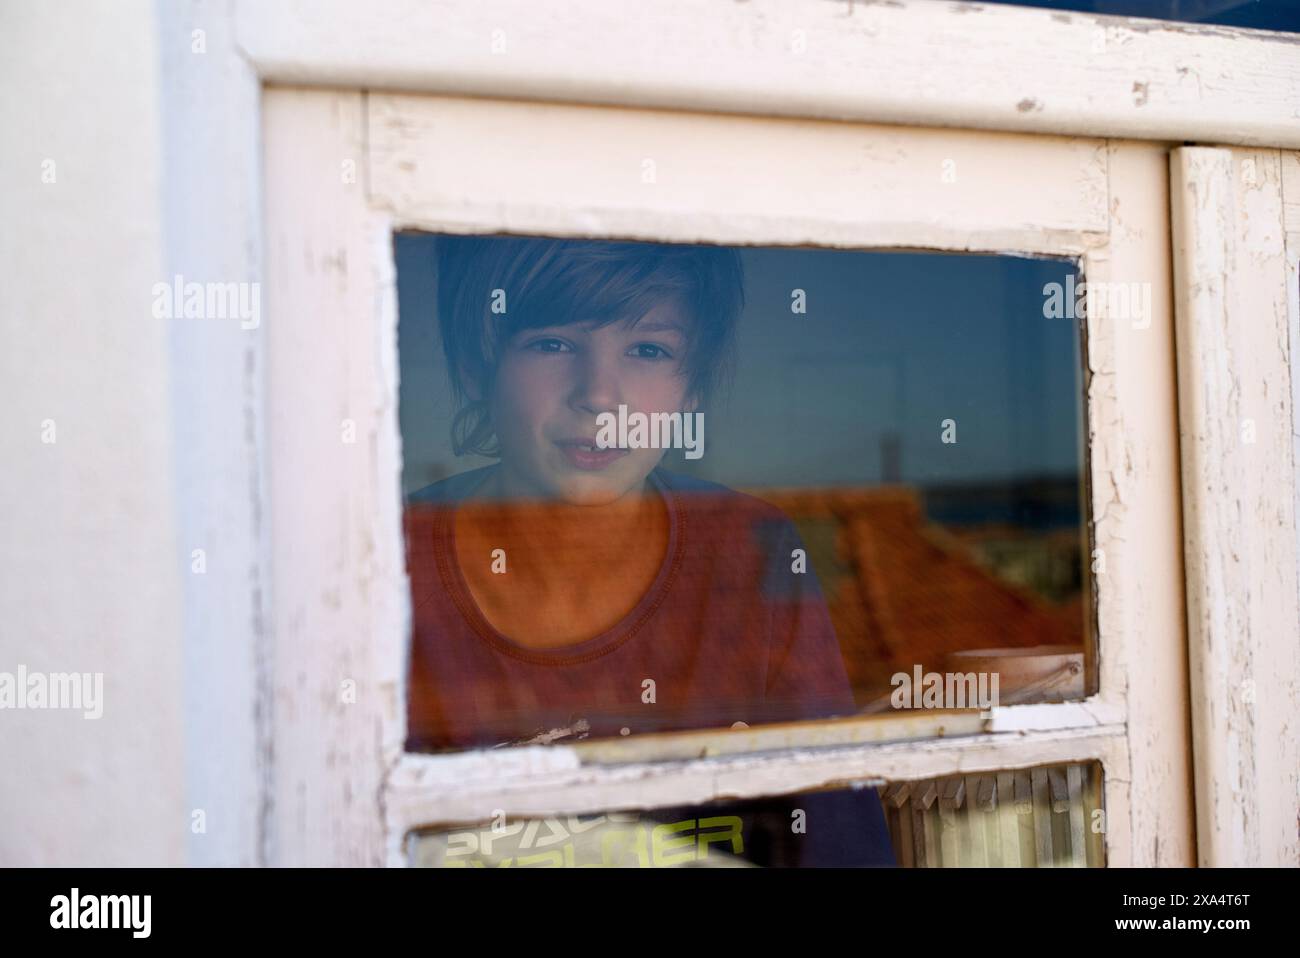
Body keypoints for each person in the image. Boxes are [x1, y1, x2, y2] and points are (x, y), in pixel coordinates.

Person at [403, 235, 895, 866]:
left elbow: (835, 845)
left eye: (648, 349)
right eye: (551, 343)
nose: (600, 396)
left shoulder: (748, 553)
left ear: (691, 389)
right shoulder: (388, 563)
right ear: (477, 366)